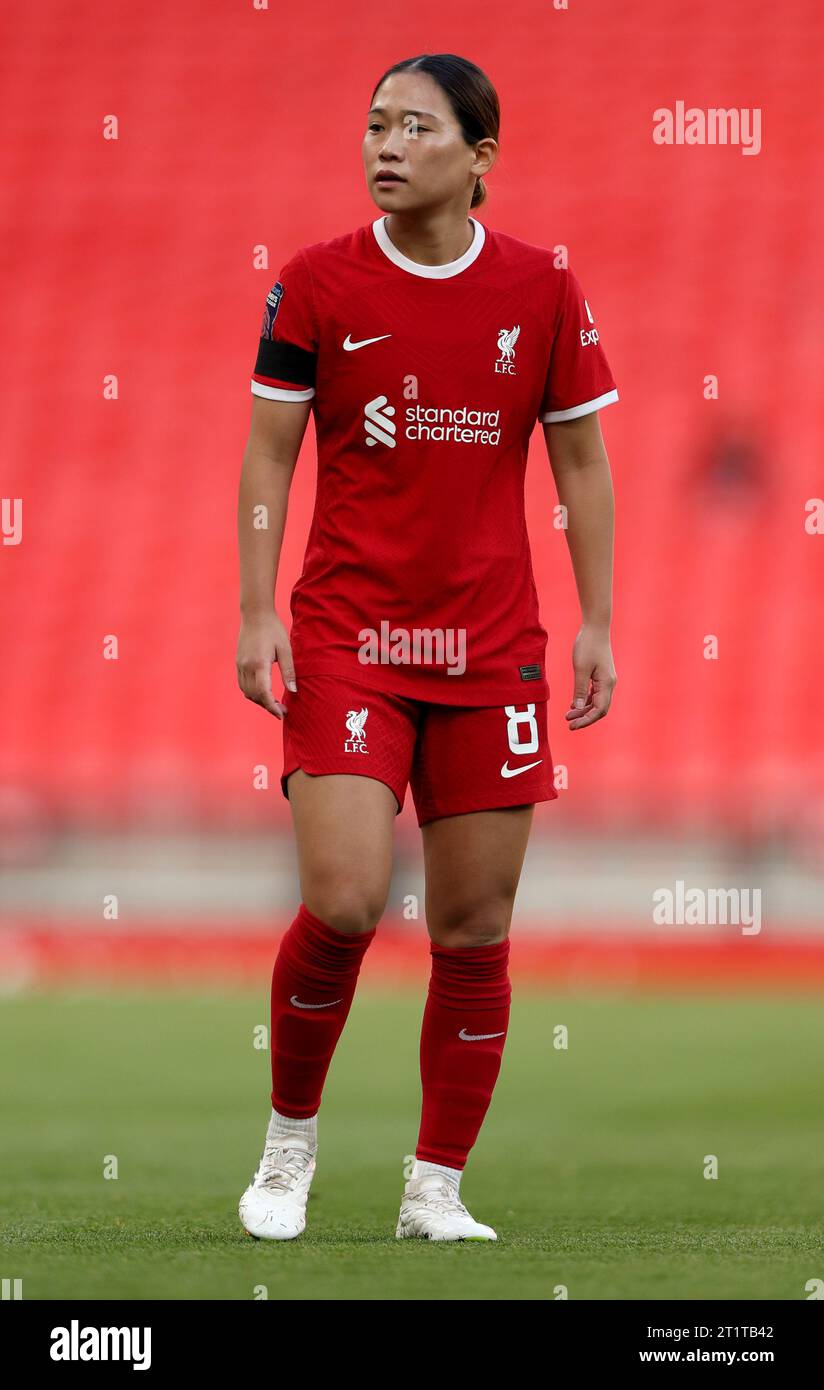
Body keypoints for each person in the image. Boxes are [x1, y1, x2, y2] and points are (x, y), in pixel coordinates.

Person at [236, 52, 619, 1242]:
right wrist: (256, 612)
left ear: (479, 156)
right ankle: (289, 1146)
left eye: (413, 127)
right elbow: (265, 461)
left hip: (489, 644)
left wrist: (598, 618)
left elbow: (580, 463)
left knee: (472, 928)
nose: (385, 145)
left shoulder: (541, 290)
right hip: (350, 630)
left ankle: (433, 1188)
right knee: (345, 899)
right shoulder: (314, 283)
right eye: (374, 125)